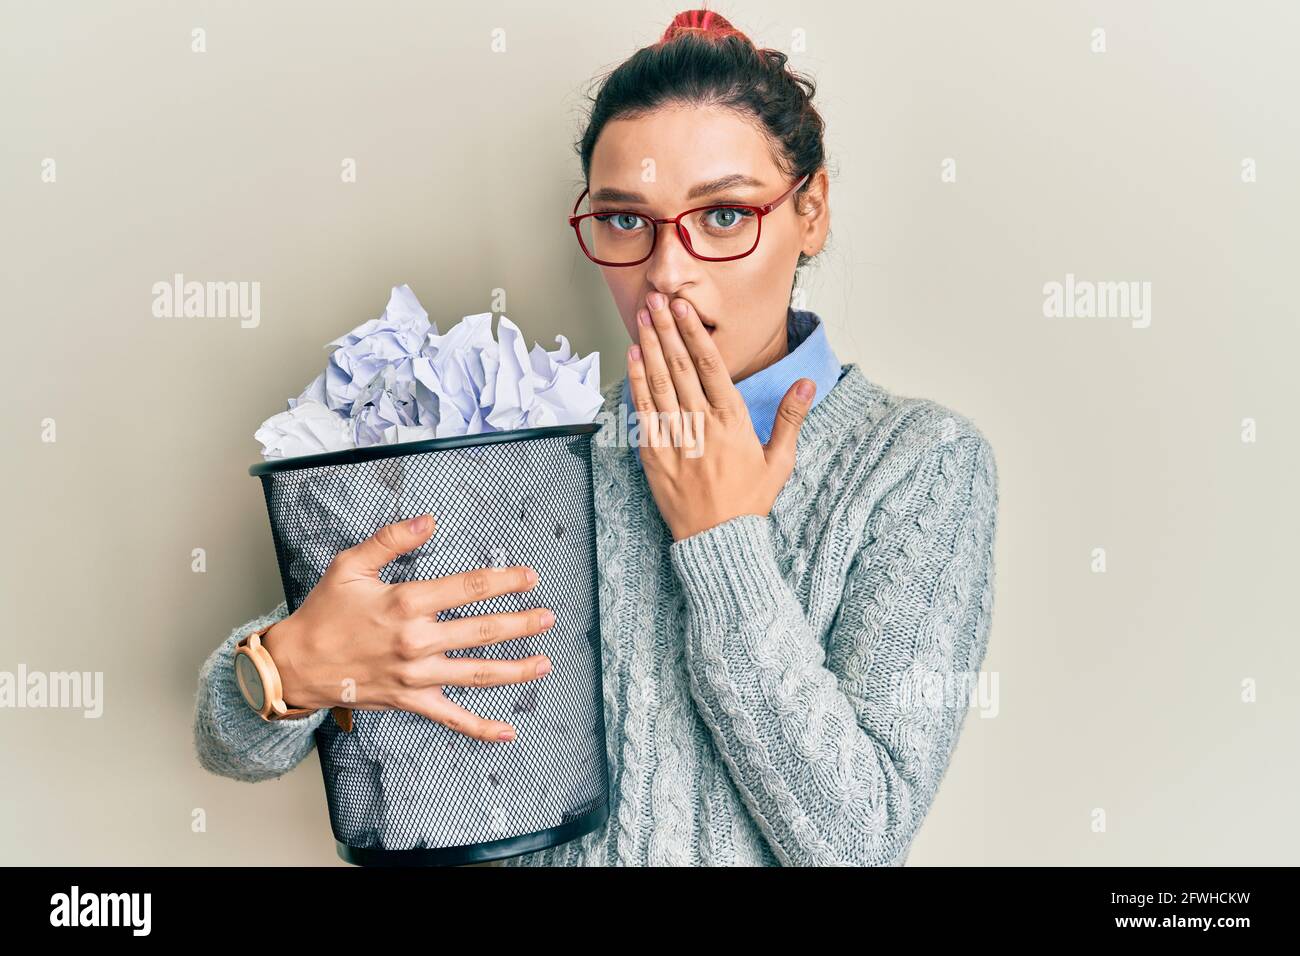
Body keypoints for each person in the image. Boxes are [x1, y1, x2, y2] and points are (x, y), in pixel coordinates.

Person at [193, 7, 1000, 867]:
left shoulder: (919, 464)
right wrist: (282, 670)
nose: (667, 272)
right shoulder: (538, 443)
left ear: (812, 212)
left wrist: (720, 540)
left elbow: (855, 845)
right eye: (625, 220)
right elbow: (232, 742)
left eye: (723, 215)